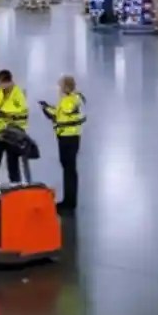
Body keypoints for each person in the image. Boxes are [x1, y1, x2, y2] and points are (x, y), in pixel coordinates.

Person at [41, 76, 86, 213]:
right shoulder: (76, 98)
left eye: (60, 86)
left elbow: (57, 116)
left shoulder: (67, 101)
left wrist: (46, 110)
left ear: (65, 87)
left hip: (67, 138)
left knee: (68, 169)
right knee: (70, 169)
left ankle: (69, 202)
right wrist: (48, 107)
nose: (58, 89)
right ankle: (69, 200)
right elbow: (60, 112)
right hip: (74, 137)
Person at [0, 69, 29, 188]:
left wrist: (3, 113)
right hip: (0, 133)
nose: (2, 86)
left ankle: (16, 187)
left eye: (4, 83)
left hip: (14, 136)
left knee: (13, 164)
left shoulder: (18, 94)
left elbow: (22, 112)